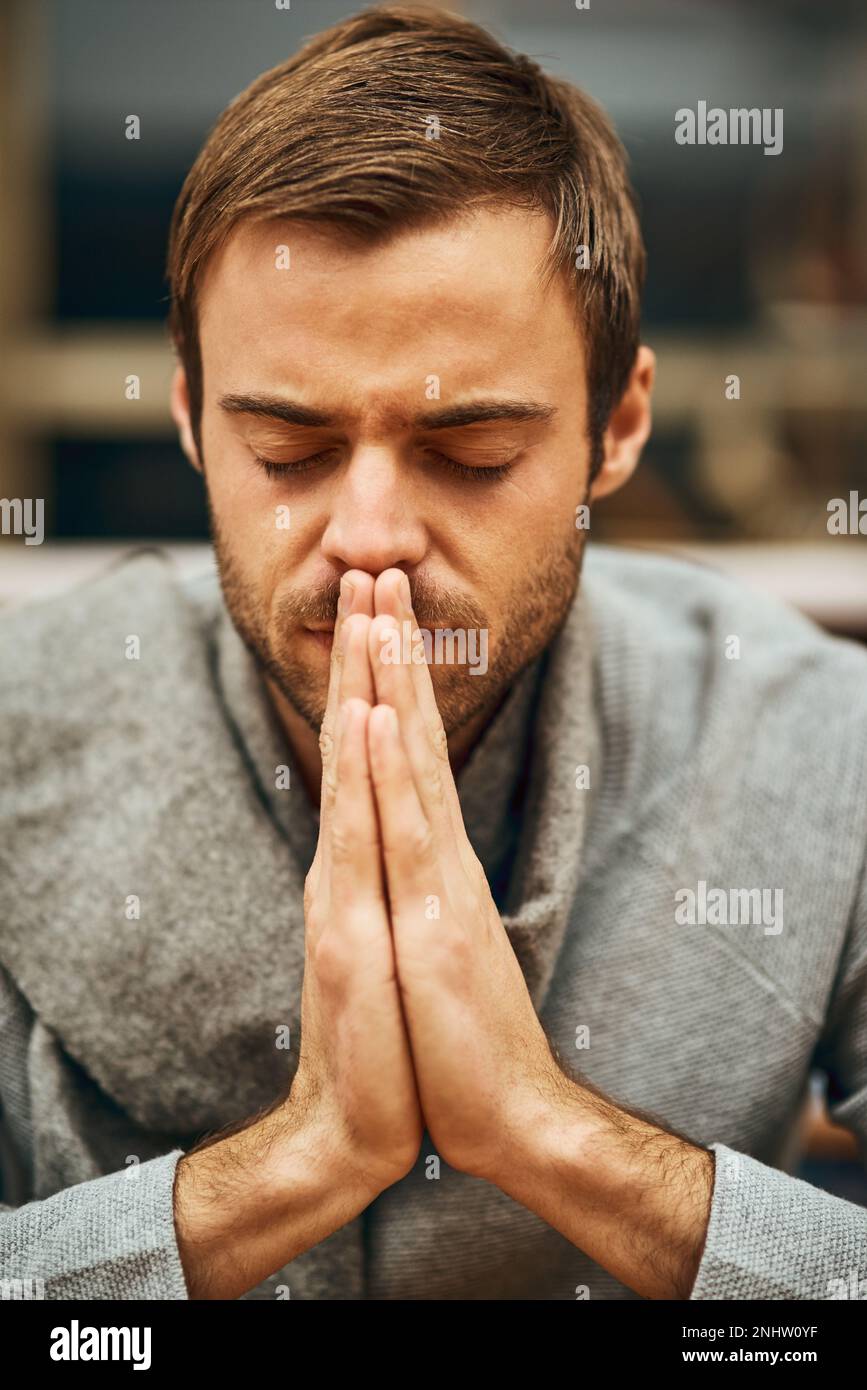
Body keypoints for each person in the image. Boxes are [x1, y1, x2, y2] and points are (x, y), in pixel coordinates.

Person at [1, 3, 866, 1302]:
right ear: (188, 413)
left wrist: (546, 1130)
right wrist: (296, 1163)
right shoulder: (17, 730)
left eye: (473, 455)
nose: (370, 539)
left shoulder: (822, 742)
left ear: (618, 428)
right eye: (287, 449)